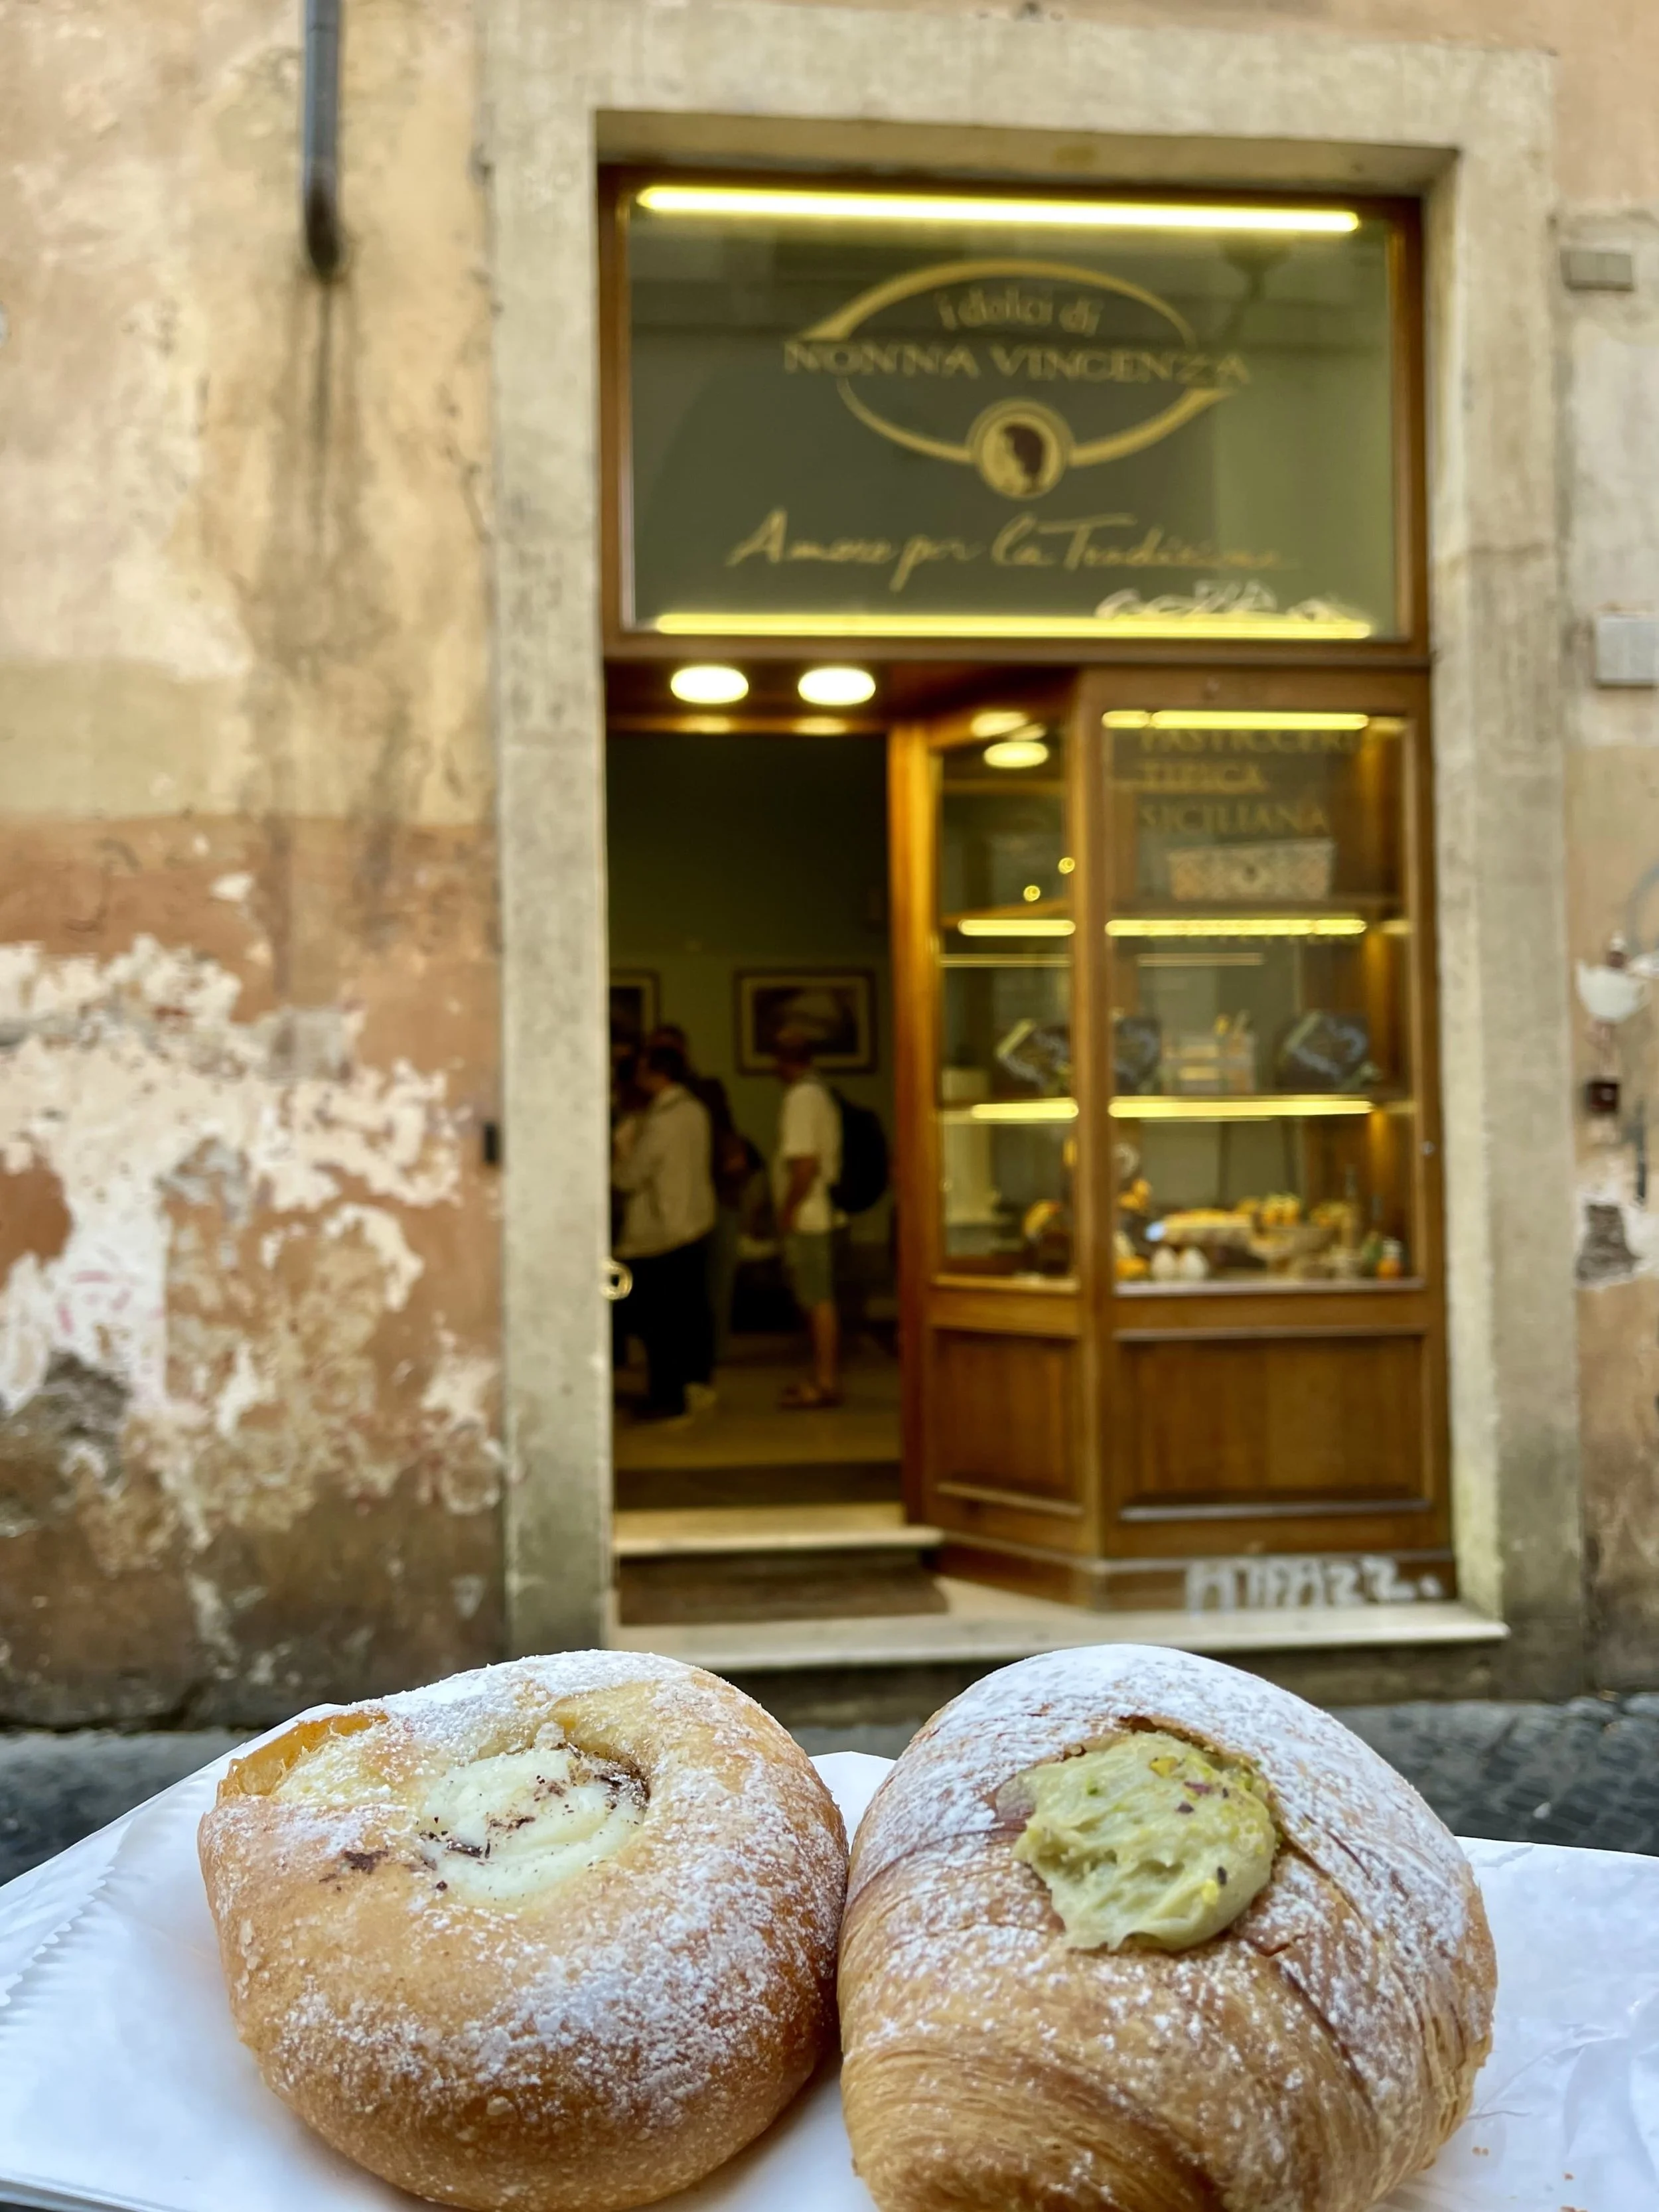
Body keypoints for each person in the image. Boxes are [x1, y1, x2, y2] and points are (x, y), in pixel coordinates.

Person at [613, 1041, 715, 1423]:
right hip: (694, 1226)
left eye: (642, 1071)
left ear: (657, 1075)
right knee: (685, 1318)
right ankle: (690, 1385)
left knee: (655, 1323)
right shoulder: (696, 1112)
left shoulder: (660, 1122)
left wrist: (619, 1155)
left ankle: (666, 1395)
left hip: (660, 1235)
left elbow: (631, 1177)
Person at [647, 1023, 757, 1378]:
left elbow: (729, 1142)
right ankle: (685, 1364)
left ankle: (707, 1361)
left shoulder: (705, 1094)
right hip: (670, 1206)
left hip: (713, 1197)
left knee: (713, 1286)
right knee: (677, 1291)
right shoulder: (649, 1099)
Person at [771, 1029, 843, 1409]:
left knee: (816, 1297)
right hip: (816, 1209)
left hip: (808, 1212)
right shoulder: (819, 1093)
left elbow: (805, 1164)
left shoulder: (802, 1097)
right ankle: (822, 1375)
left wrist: (788, 1209)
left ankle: (825, 1379)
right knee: (816, 1295)